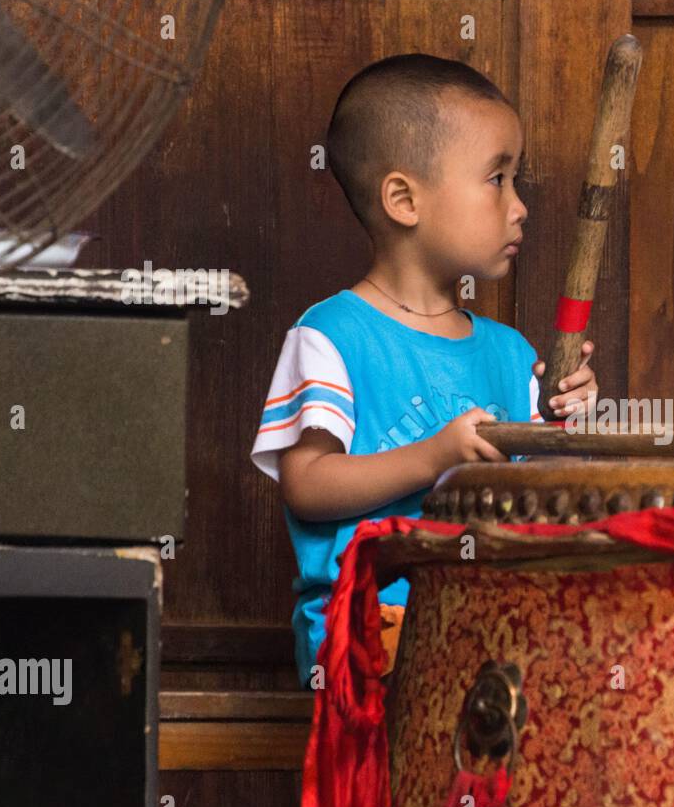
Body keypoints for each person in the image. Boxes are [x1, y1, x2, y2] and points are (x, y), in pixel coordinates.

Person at [250, 54, 598, 688]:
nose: (519, 207)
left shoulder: (513, 354)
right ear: (404, 200)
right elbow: (305, 485)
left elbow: (543, 502)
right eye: (497, 179)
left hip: (492, 635)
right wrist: (434, 455)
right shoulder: (331, 336)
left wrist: (564, 420)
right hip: (369, 641)